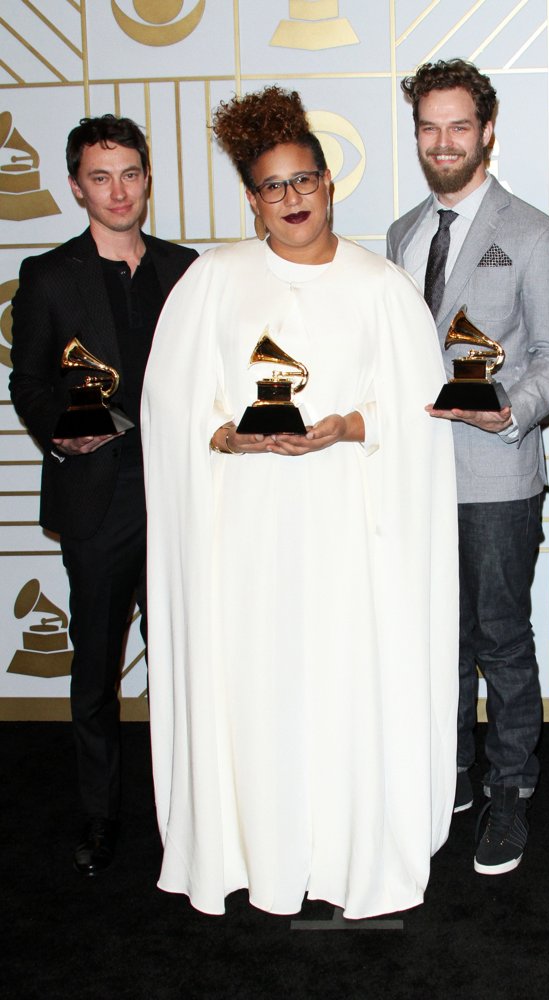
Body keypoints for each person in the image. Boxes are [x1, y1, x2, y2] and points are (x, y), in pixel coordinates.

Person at [140, 86, 459, 918]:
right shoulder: (212, 281)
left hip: (345, 530)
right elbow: (172, 409)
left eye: (305, 180)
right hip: (243, 531)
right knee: (254, 685)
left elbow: (418, 415)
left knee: (339, 681)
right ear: (251, 199)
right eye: (273, 187)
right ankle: (253, 851)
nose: (293, 200)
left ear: (328, 183)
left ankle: (342, 851)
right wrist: (228, 437)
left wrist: (349, 423)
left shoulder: (381, 287)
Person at [387, 59, 549, 875]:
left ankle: (510, 792)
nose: (442, 141)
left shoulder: (536, 235)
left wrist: (512, 410)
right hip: (415, 479)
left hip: (496, 476)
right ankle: (454, 773)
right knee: (438, 642)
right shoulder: (399, 235)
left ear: (487, 131)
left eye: (458, 126)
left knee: (500, 640)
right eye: (428, 127)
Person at [9, 115, 197, 876]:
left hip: (184, 495)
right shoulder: (48, 275)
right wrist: (63, 432)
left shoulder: (189, 269)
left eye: (129, 173)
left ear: (148, 178)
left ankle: (189, 811)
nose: (117, 191)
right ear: (75, 185)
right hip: (97, 499)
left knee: (187, 662)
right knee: (95, 668)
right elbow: (29, 382)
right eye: (99, 176)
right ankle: (98, 816)